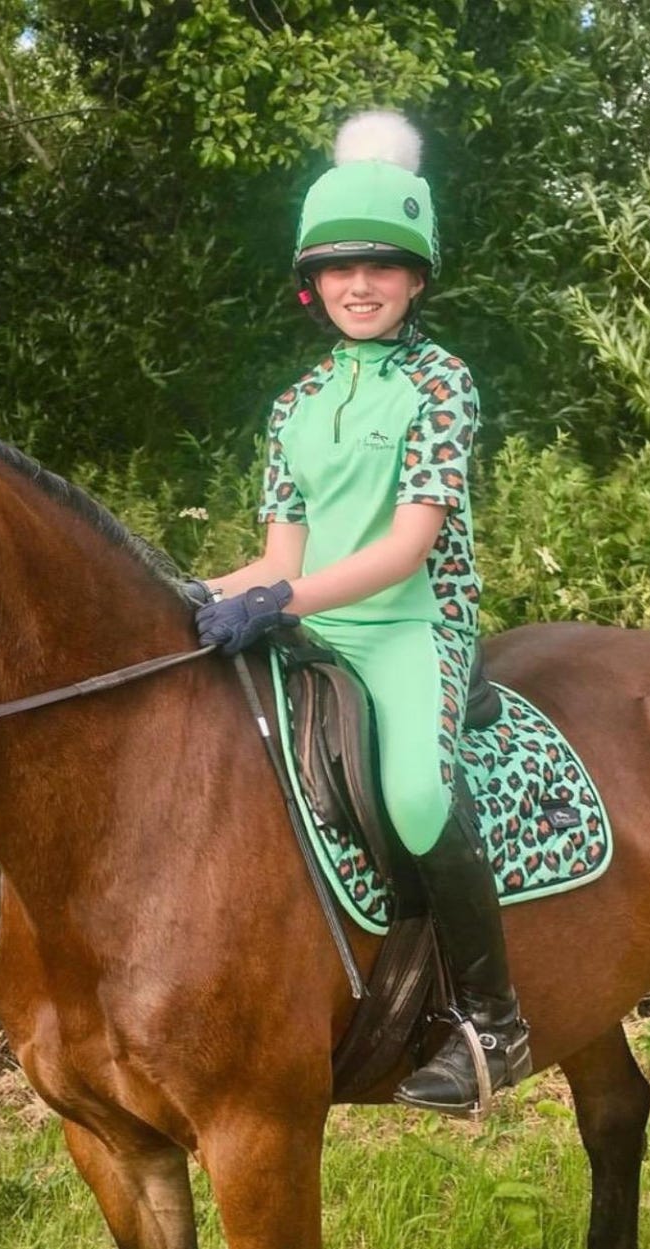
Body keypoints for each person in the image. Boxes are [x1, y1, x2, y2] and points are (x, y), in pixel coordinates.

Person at [195, 111, 531, 1115]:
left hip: (411, 624)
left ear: (417, 277)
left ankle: (495, 1020)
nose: (360, 285)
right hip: (312, 622)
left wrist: (277, 598)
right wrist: (186, 594)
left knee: (420, 800)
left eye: (383, 266)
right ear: (313, 282)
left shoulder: (442, 383)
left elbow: (405, 545)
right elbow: (276, 555)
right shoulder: (294, 406)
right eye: (340, 268)